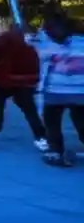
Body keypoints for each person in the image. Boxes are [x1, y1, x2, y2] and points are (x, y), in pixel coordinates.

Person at [0, 25, 48, 150]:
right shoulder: (28, 49)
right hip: (23, 83)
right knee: (29, 110)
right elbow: (35, 66)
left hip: (0, 81)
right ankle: (40, 135)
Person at [38, 16, 84, 166]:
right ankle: (56, 150)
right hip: (79, 91)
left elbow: (41, 58)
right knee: (80, 120)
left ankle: (56, 151)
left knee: (52, 122)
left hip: (55, 91)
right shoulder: (81, 43)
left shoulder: (47, 45)